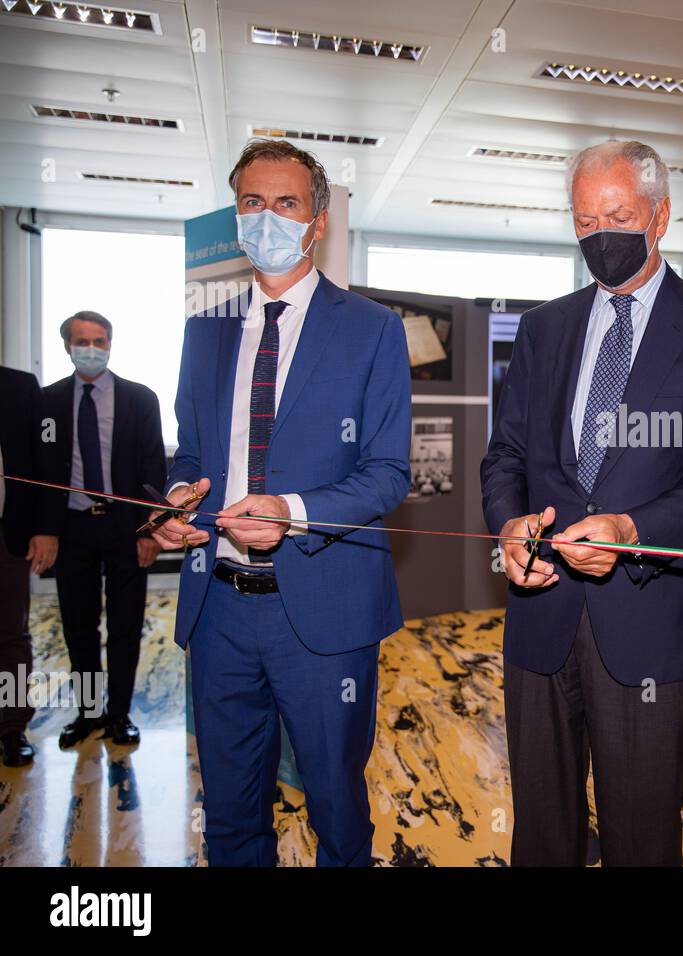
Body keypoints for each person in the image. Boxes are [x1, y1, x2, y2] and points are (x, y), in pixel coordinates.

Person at [481, 140, 683, 866]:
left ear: (659, 215)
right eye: (583, 221)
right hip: (541, 617)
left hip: (651, 618)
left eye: (618, 215)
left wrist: (634, 528)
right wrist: (507, 524)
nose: (599, 235)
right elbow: (506, 454)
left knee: (641, 832)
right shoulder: (543, 329)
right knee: (543, 831)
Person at [149, 139, 411, 867]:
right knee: (230, 810)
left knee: (335, 807)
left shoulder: (372, 329)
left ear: (317, 221)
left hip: (325, 616)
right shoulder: (205, 330)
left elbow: (389, 473)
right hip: (219, 611)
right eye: (252, 203)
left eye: (286, 203)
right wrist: (178, 499)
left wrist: (290, 511)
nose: (267, 217)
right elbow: (193, 454)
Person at [43, 312, 165, 748]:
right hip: (73, 528)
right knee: (78, 627)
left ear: (111, 344)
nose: (91, 348)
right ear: (67, 346)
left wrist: (151, 530)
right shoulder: (48, 403)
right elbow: (40, 467)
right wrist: (45, 530)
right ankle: (89, 712)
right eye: (82, 341)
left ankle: (119, 715)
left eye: (99, 340)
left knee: (126, 625)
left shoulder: (140, 399)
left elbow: (155, 466)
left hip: (126, 529)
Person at [0, 367, 60, 766]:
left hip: (7, 533)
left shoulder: (18, 386)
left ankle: (11, 726)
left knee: (9, 633)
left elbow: (47, 460)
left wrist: (46, 528)